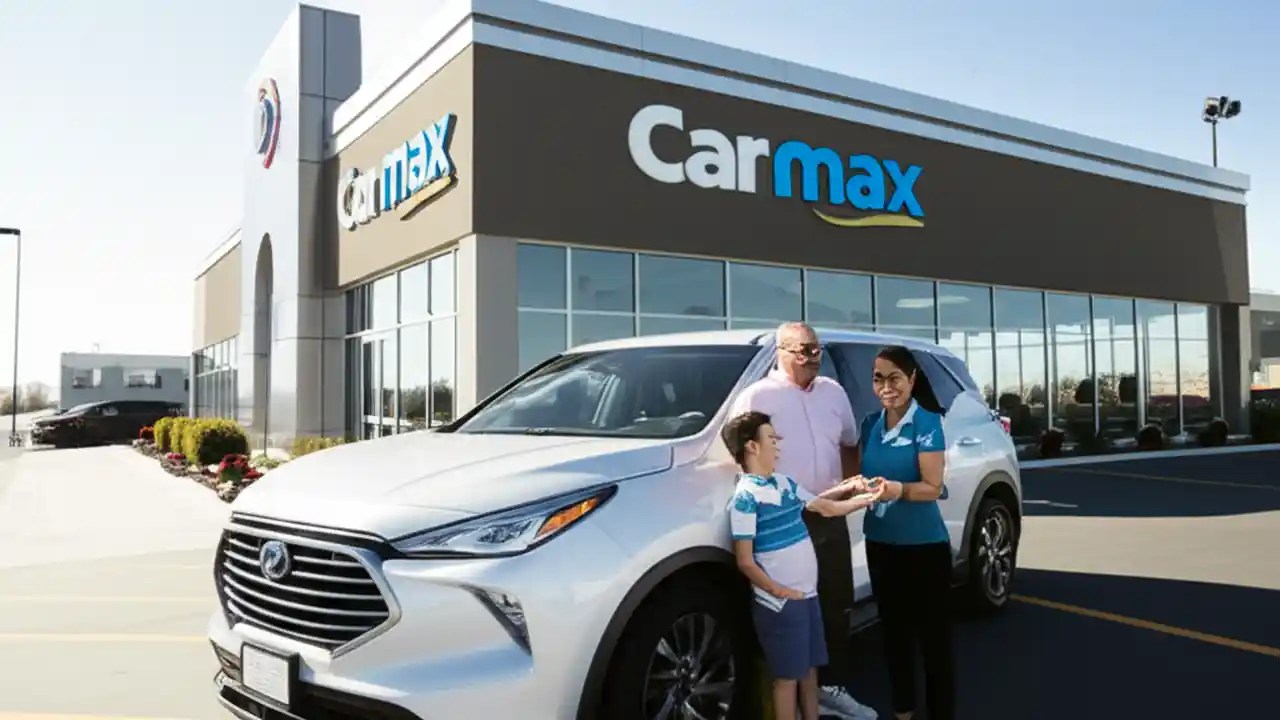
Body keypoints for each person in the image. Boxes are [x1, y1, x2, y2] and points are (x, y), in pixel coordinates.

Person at [728, 321, 877, 720]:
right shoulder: (757, 397)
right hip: (781, 522)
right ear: (780, 351)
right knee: (783, 611)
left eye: (816, 350)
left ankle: (831, 692)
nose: (812, 358)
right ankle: (781, 700)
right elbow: (738, 455)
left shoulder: (834, 393)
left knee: (833, 604)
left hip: (825, 511)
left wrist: (850, 489)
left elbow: (849, 443)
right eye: (802, 351)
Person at [853, 345, 956, 720]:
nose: (886, 386)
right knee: (894, 638)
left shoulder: (927, 423)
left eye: (895, 377)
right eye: (878, 378)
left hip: (924, 550)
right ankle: (903, 713)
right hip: (881, 546)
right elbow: (859, 479)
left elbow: (932, 486)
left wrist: (898, 490)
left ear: (911, 379)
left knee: (934, 643)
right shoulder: (869, 425)